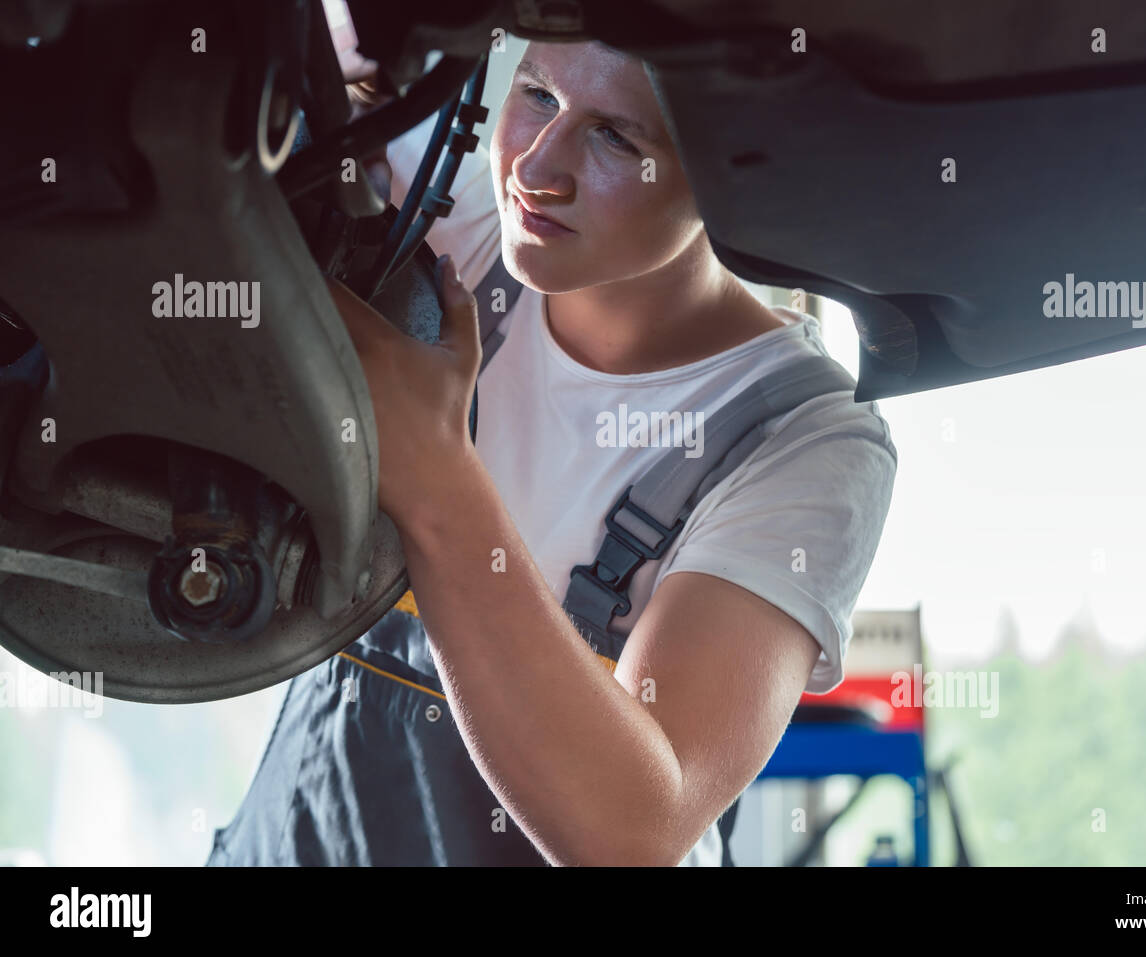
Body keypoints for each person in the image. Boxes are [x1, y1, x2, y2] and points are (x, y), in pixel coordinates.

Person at [207, 37, 898, 867]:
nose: (536, 168)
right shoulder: (453, 217)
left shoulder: (802, 436)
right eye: (536, 95)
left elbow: (634, 829)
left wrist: (436, 480)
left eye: (615, 138)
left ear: (734, 178)